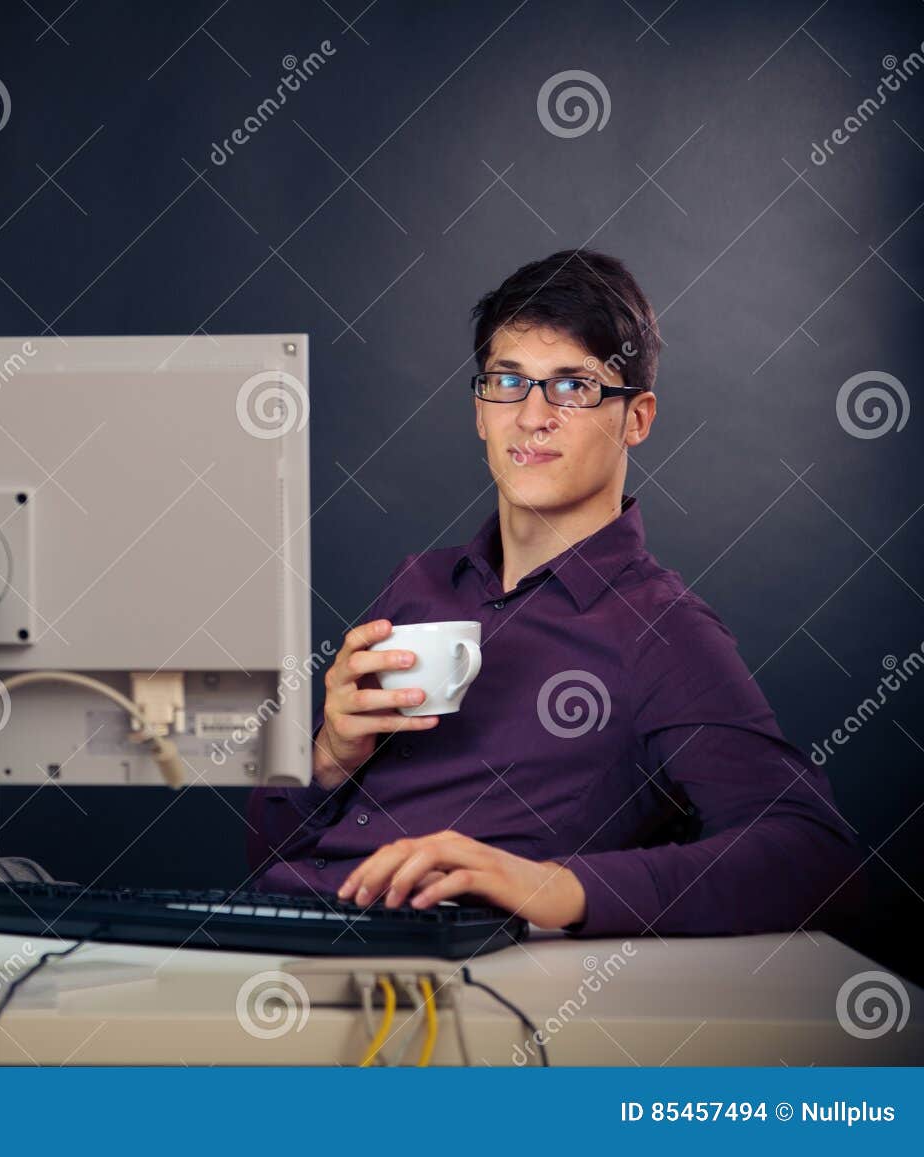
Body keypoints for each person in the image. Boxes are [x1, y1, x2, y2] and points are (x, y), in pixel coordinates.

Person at [248, 249, 861, 936]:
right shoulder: (418, 583)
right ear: (481, 411)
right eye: (509, 381)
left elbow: (814, 852)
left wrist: (558, 888)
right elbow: (268, 855)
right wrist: (327, 756)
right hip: (271, 934)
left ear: (636, 418)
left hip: (439, 975)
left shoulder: (660, 630)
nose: (533, 413)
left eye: (573, 387)